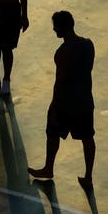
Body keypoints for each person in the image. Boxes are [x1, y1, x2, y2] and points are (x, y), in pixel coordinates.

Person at [28, 11, 96, 191]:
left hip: (67, 103)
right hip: (85, 101)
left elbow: (61, 82)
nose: (53, 29)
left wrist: (55, 108)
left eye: (55, 26)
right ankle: (88, 177)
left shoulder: (62, 53)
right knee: (88, 138)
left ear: (61, 28)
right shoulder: (88, 45)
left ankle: (48, 168)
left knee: (52, 131)